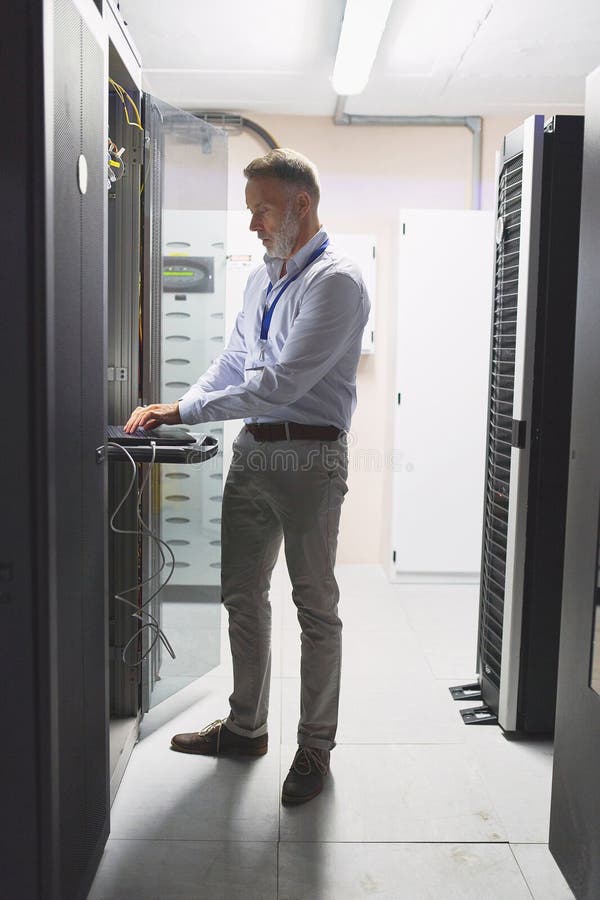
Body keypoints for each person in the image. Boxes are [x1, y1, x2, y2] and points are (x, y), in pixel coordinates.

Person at [125, 148, 370, 805]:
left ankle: (314, 748)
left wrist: (183, 412)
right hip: (254, 451)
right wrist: (181, 404)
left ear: (301, 205)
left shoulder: (336, 282)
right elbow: (235, 360)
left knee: (314, 606)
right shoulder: (263, 279)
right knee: (241, 594)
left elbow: (281, 383)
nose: (254, 224)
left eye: (262, 210)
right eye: (251, 211)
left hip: (310, 458)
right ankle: (245, 728)